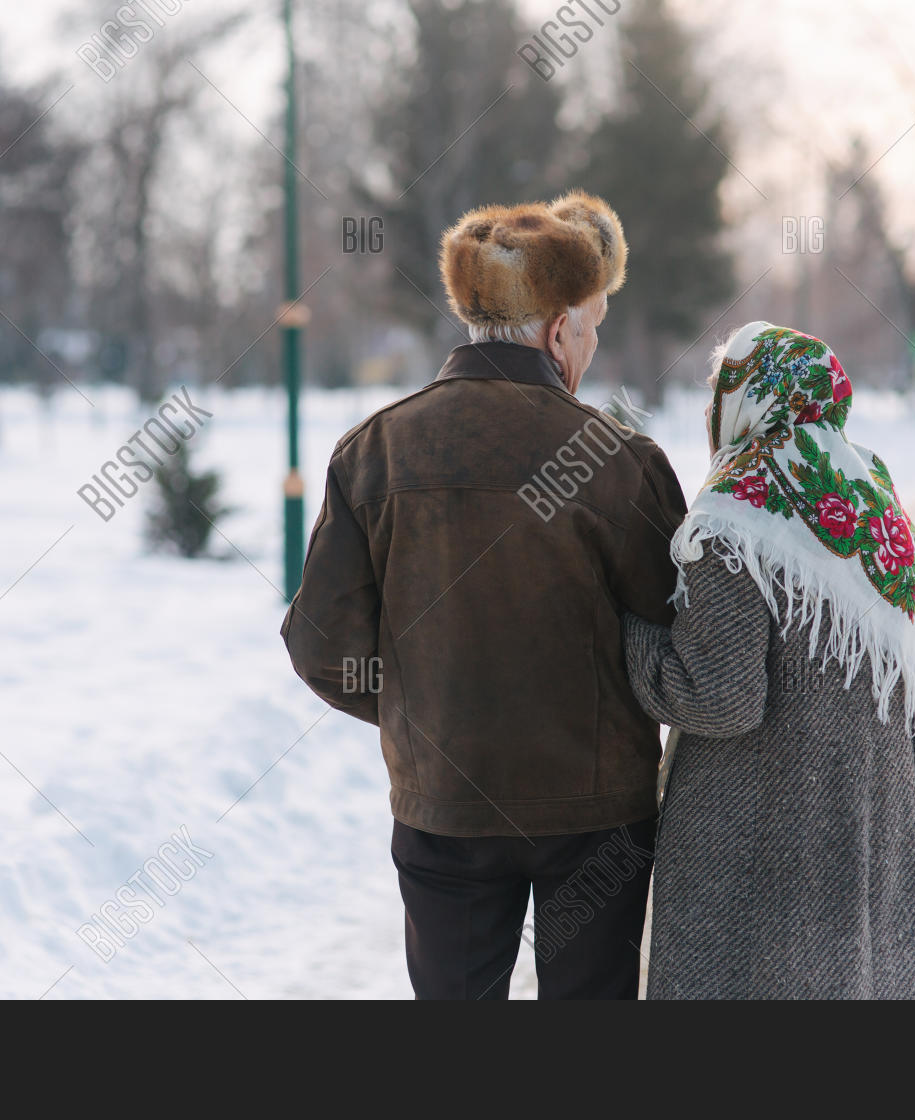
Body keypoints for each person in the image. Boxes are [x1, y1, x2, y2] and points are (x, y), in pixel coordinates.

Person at [282, 191, 687, 999]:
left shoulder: (375, 452)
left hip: (444, 810)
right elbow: (679, 633)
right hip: (594, 816)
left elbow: (320, 644)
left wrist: (423, 707)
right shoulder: (618, 460)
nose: (592, 347)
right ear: (559, 326)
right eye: (593, 327)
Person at [622, 321, 915, 999]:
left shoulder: (735, 511)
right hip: (876, 845)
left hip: (754, 860)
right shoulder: (880, 507)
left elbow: (720, 696)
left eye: (720, 389)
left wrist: (623, 635)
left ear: (744, 400)